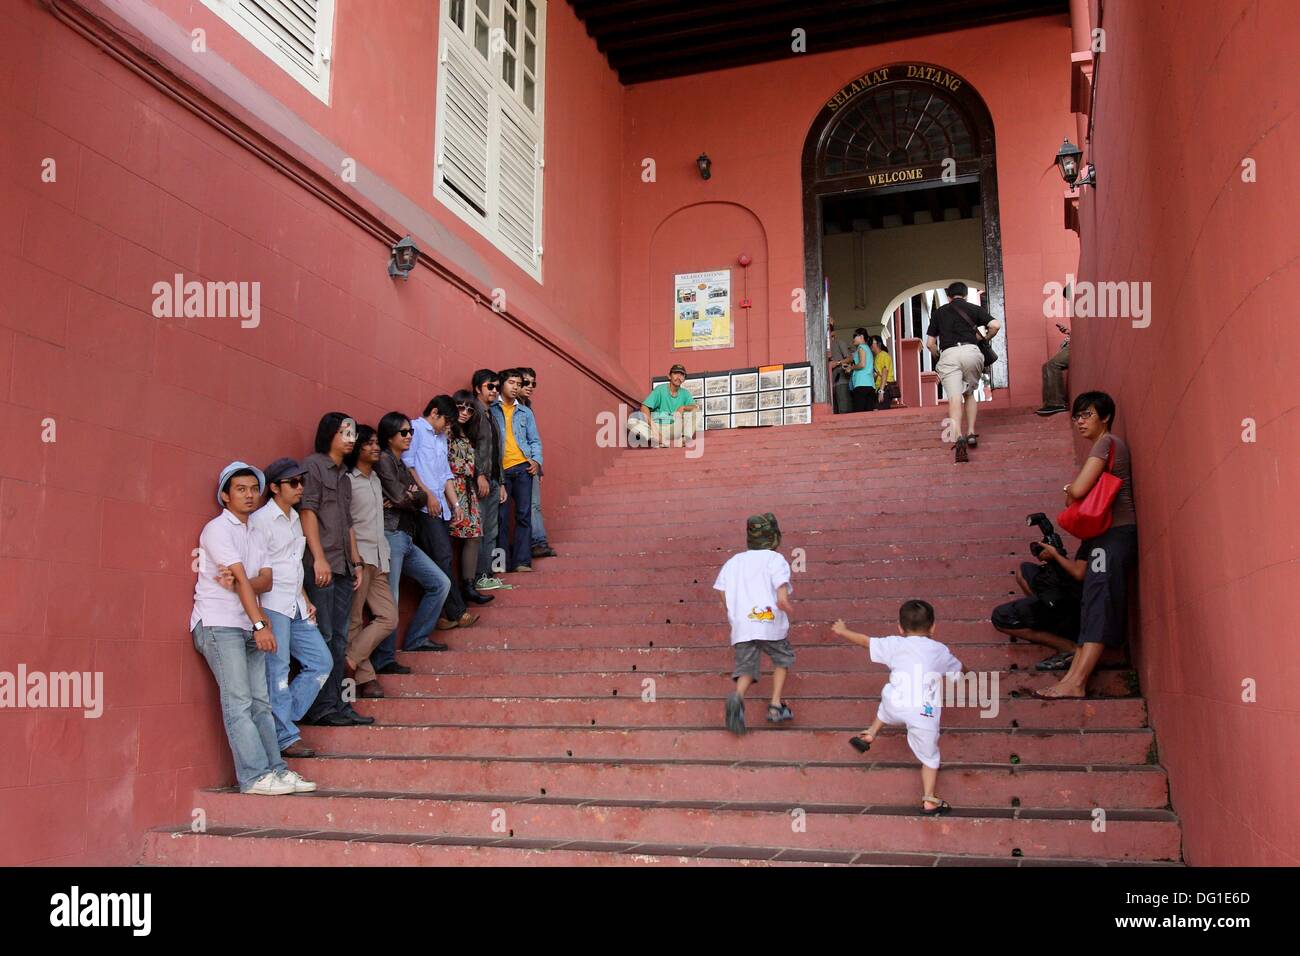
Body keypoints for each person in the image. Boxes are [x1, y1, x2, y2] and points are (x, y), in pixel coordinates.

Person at [190, 461, 315, 795]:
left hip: (247, 622)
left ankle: (276, 770)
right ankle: (254, 777)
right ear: (225, 496)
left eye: (252, 489)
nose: (248, 495)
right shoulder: (217, 529)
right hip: (219, 625)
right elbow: (248, 580)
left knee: (261, 702)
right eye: (240, 490)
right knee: (240, 702)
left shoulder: (255, 532)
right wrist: (260, 621)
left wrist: (244, 583)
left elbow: (264, 580)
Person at [1035, 391, 1138, 700]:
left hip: (1114, 537)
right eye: (1077, 416)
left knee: (1098, 602)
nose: (1080, 421)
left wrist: (1070, 488)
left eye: (1087, 415)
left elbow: (1077, 490)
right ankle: (1072, 678)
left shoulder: (1106, 443)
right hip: (1104, 538)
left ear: (1104, 417)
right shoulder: (1106, 445)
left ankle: (1077, 681)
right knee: (1092, 601)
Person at [831, 600, 962, 815]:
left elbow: (866, 641)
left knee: (889, 699)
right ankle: (929, 799)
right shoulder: (939, 650)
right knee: (930, 758)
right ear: (933, 627)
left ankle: (870, 733)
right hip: (923, 713)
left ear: (900, 628)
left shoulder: (894, 643)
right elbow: (958, 669)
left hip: (895, 705)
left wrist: (843, 631)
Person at [249, 457, 333, 758]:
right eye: (293, 483)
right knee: (278, 670)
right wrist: (258, 617)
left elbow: (293, 565)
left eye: (302, 481)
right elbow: (256, 571)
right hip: (272, 605)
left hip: (295, 603)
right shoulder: (260, 521)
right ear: (274, 488)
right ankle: (284, 736)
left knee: (322, 662)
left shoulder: (295, 518)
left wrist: (306, 598)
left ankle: (280, 718)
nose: (300, 487)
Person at [300, 413, 373, 728]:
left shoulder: (344, 476)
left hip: (343, 567)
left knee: (340, 637)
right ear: (328, 433)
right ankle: (321, 708)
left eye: (353, 433)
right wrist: (318, 558)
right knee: (325, 636)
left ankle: (337, 706)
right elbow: (307, 512)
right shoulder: (313, 466)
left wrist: (356, 562)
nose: (351, 438)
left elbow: (348, 524)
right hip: (322, 566)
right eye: (345, 432)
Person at [371, 411, 453, 667]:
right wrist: (414, 496)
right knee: (391, 599)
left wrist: (414, 496)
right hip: (391, 535)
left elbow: (410, 498)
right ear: (389, 436)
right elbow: (401, 497)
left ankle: (417, 638)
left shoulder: (400, 463)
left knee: (440, 583)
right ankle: (385, 659)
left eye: (411, 432)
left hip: (406, 536)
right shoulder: (384, 460)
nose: (409, 436)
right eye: (403, 432)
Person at [713, 513, 795, 735]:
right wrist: (782, 599)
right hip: (769, 622)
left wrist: (732, 610)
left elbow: (720, 589)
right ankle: (776, 705)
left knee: (747, 667)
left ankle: (737, 697)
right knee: (782, 659)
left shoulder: (734, 562)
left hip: (743, 626)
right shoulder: (775, 559)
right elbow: (780, 583)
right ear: (774, 538)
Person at [405, 395, 478, 629]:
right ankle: (457, 612)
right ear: (434, 412)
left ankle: (446, 615)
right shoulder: (414, 429)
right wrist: (427, 494)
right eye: (446, 421)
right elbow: (408, 466)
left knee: (440, 559)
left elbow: (445, 474)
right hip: (425, 508)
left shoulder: (440, 437)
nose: (448, 427)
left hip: (441, 508)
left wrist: (455, 505)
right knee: (443, 556)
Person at [343, 425, 398, 700]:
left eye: (377, 443)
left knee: (389, 617)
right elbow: (346, 523)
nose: (376, 447)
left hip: (379, 556)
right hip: (359, 558)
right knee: (354, 620)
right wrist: (355, 560)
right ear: (358, 447)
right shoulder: (348, 480)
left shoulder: (376, 479)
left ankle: (350, 660)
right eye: (371, 443)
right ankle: (366, 679)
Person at [926, 282, 1002, 462]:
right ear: (966, 295)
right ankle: (971, 433)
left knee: (954, 398)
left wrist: (939, 356)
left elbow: (930, 344)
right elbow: (995, 325)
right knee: (969, 394)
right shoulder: (973, 308)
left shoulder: (939, 313)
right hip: (970, 352)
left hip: (949, 354)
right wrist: (983, 338)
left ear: (949, 296)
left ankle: (958, 435)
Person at [991, 554, 1084, 672]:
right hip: (1077, 593)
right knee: (1025, 570)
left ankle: (1070, 649)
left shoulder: (1095, 547)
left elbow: (1079, 573)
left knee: (1001, 616)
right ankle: (1050, 621)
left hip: (1081, 605)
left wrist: (1054, 553)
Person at [491, 369, 542, 574]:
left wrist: (537, 461)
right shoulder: (492, 409)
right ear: (502, 384)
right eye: (511, 382)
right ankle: (500, 564)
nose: (516, 387)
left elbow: (534, 440)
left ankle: (522, 562)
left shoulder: (525, 412)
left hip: (522, 468)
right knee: (500, 518)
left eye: (518, 384)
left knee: (523, 516)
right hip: (501, 471)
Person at [450, 390, 494, 604]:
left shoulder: (466, 434)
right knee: (450, 539)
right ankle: (456, 592)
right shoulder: (446, 432)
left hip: (467, 488)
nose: (466, 412)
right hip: (451, 489)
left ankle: (468, 585)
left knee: (475, 534)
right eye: (461, 407)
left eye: (469, 408)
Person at [470, 370, 510, 592]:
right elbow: (472, 448)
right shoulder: (474, 413)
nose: (495, 391)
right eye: (490, 387)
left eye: (496, 387)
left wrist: (501, 481)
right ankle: (478, 576)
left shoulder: (491, 414)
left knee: (491, 530)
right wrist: (479, 474)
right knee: (481, 529)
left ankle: (486, 574)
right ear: (478, 388)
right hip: (482, 480)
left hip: (494, 480)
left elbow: (497, 452)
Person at [517, 369, 556, 559]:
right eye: (526, 383)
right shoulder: (507, 409)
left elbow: (534, 440)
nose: (530, 387)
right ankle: (535, 543)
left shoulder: (527, 408)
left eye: (534, 383)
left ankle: (538, 542)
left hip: (530, 464)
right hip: (514, 464)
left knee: (533, 505)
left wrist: (538, 464)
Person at [630, 363, 698, 445]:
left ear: (684, 379)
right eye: (675, 373)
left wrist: (683, 407)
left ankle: (685, 439)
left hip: (674, 428)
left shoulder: (685, 393)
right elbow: (644, 407)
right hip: (657, 426)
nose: (679, 377)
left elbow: (695, 407)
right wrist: (655, 430)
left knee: (696, 411)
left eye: (682, 375)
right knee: (632, 421)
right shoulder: (660, 389)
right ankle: (656, 438)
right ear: (669, 376)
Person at [1037, 323, 1071, 416]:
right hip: (1069, 344)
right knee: (1046, 366)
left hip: (1074, 345)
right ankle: (1049, 404)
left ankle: (1057, 404)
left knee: (1052, 364)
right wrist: (1068, 332)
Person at [827, 315, 853, 414]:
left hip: (841, 379)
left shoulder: (840, 343)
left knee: (843, 408)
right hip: (830, 382)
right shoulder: (824, 347)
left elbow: (850, 358)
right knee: (834, 410)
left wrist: (837, 363)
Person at [849, 328, 876, 412]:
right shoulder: (868, 349)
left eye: (854, 336)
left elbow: (862, 364)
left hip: (861, 383)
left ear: (861, 336)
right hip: (870, 384)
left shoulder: (861, 347)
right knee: (868, 413)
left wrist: (851, 368)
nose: (853, 339)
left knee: (859, 412)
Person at [870, 335, 895, 410]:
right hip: (879, 388)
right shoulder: (876, 357)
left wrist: (881, 391)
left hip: (885, 388)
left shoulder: (884, 355)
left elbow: (885, 372)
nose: (870, 344)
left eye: (872, 342)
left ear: (879, 343)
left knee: (878, 411)